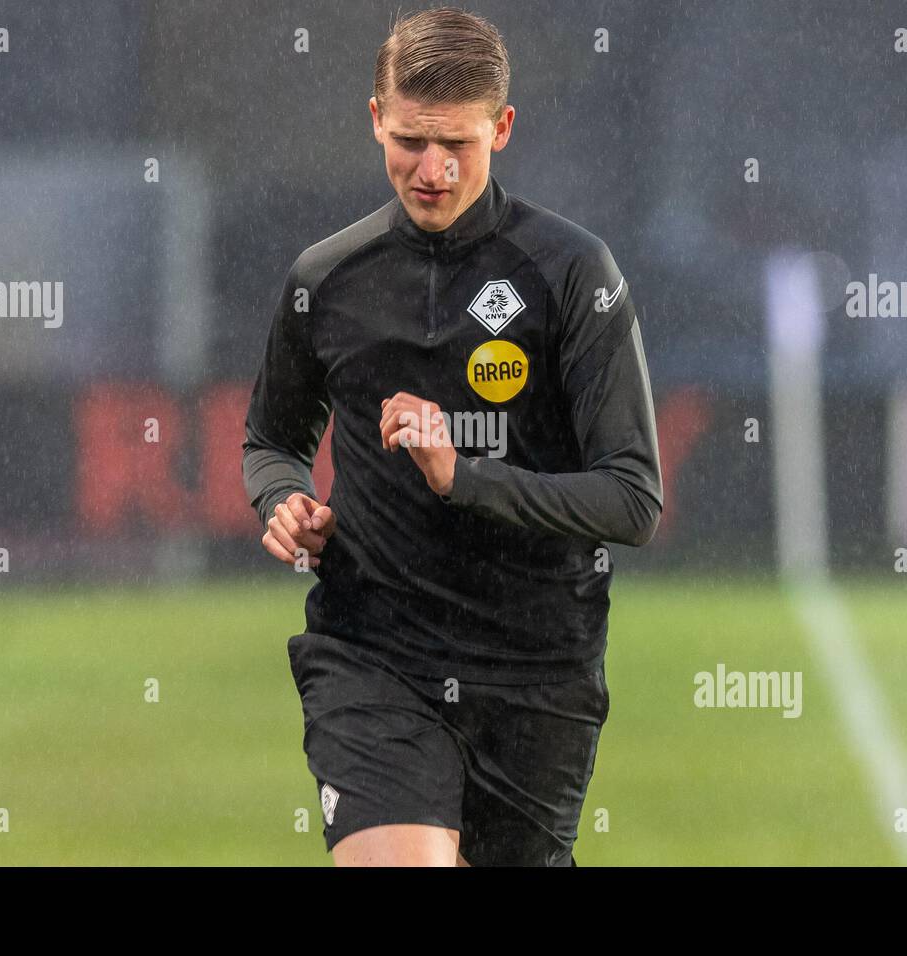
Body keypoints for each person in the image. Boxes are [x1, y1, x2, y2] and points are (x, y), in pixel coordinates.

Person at [242, 6, 663, 866]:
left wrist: (460, 476)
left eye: (458, 145)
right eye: (408, 140)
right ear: (374, 120)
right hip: (375, 651)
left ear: (501, 129)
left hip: (534, 668)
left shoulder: (572, 274)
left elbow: (632, 497)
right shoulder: (325, 280)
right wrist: (284, 500)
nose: (430, 170)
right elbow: (270, 438)